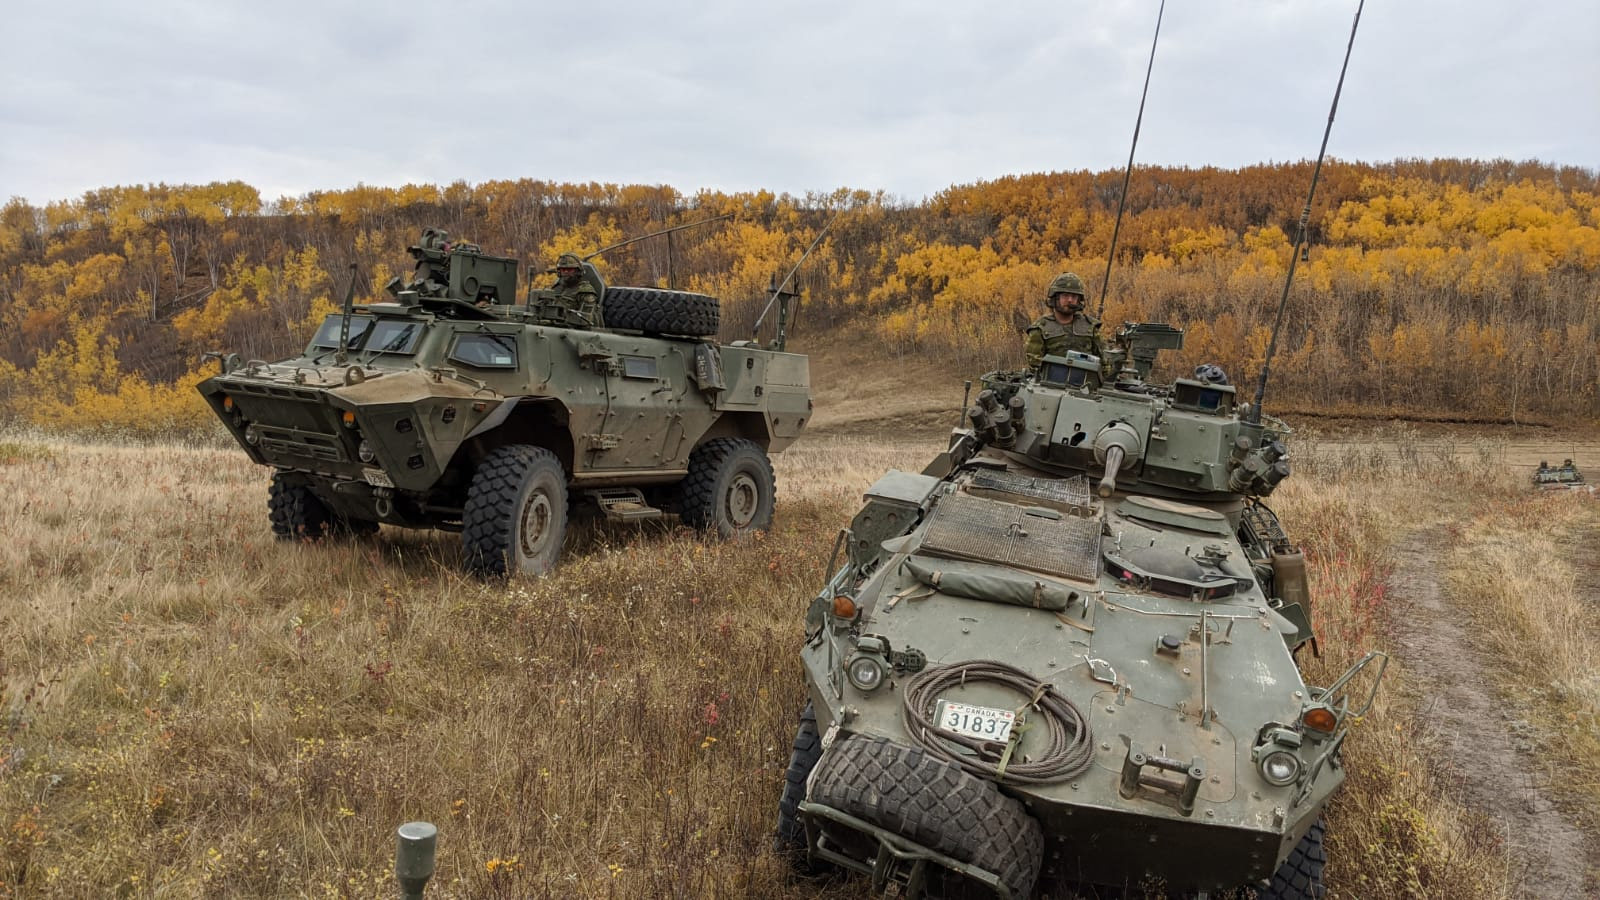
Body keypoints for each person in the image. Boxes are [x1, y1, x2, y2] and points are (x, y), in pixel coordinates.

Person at [1024, 272, 1103, 370]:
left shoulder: (1090, 327)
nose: (1070, 300)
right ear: (1055, 298)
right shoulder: (1040, 328)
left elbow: (1103, 363)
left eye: (1074, 297)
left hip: (1086, 382)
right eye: (1065, 295)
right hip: (1051, 382)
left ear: (1079, 300)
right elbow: (1035, 364)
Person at [548, 252, 601, 324]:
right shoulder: (556, 288)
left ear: (578, 271)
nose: (566, 272)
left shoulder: (585, 292)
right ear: (559, 272)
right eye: (563, 270)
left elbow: (586, 320)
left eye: (570, 269)